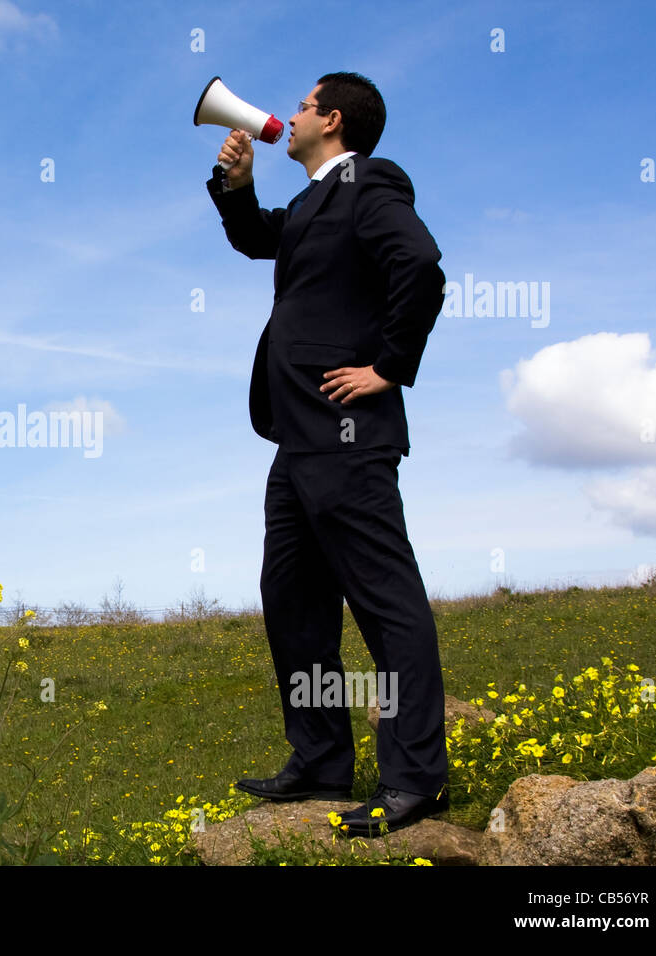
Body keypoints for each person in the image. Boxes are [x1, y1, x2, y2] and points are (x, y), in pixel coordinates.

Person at [206, 72, 449, 838]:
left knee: (386, 604)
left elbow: (421, 268)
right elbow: (256, 240)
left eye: (305, 104)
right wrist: (236, 187)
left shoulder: (371, 184)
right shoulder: (312, 202)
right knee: (295, 605)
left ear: (332, 119)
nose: (293, 111)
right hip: (297, 437)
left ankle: (415, 779)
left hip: (348, 432)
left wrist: (387, 366)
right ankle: (320, 761)